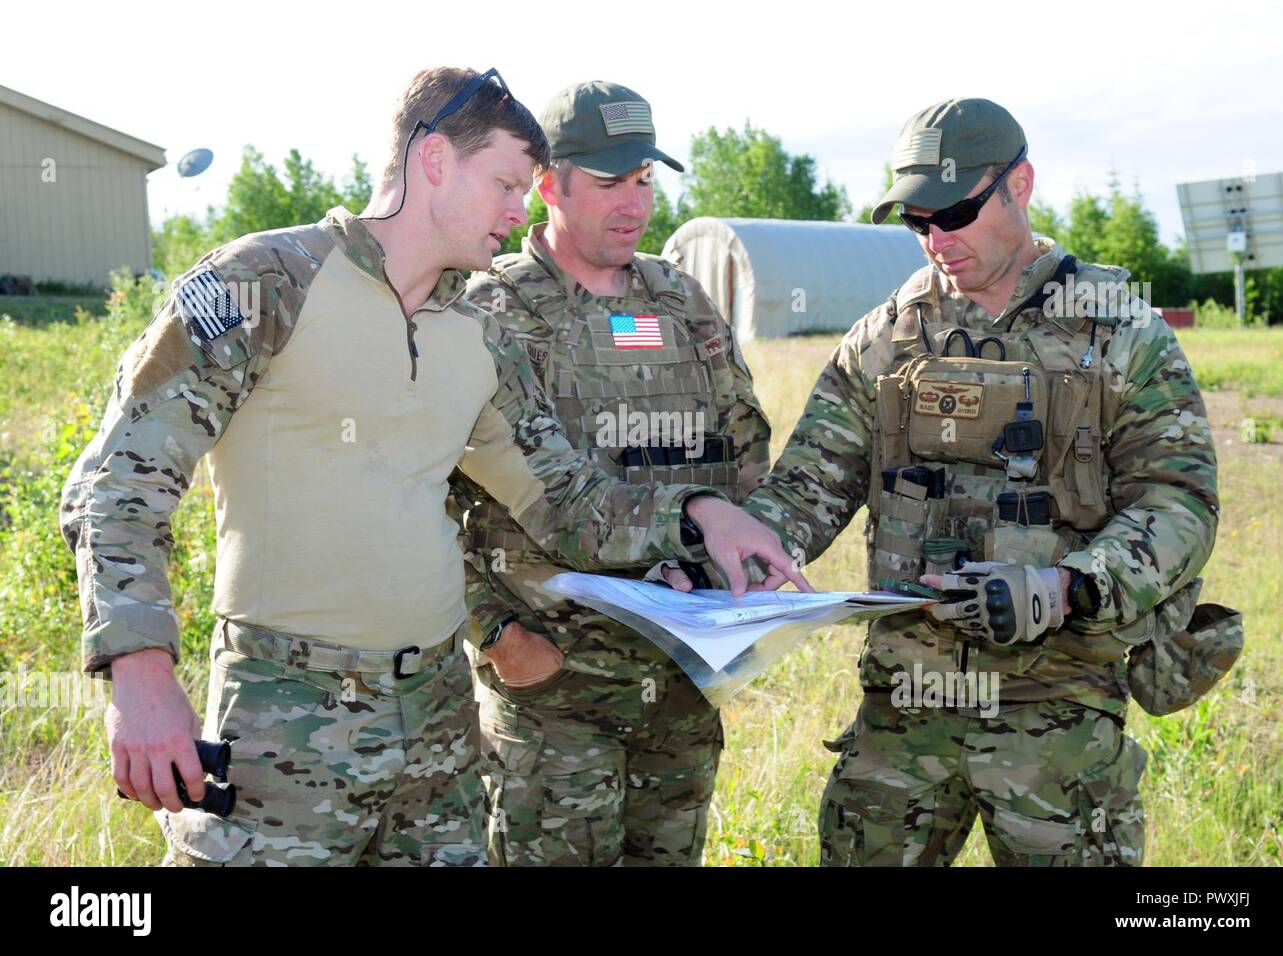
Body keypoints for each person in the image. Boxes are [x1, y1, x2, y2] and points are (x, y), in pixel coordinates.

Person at [61, 66, 805, 867]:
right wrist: (139, 672)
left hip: (441, 733)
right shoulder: (265, 284)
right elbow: (120, 479)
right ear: (435, 159)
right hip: (288, 721)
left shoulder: (477, 332)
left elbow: (564, 501)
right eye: (506, 185)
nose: (521, 212)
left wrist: (699, 511)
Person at [738, 97, 1221, 866]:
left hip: (1056, 718)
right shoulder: (888, 334)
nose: (937, 240)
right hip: (905, 712)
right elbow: (807, 487)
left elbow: (1180, 502)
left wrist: (1067, 588)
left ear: (1020, 185)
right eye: (917, 221)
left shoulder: (1119, 331)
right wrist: (732, 557)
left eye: (956, 213)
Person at [449, 80, 770, 866]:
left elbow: (745, 457)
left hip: (680, 685)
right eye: (608, 182)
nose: (633, 205)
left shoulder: (683, 302)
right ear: (548, 183)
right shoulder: (488, 312)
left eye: (644, 181)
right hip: (553, 695)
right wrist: (495, 637)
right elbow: (419, 499)